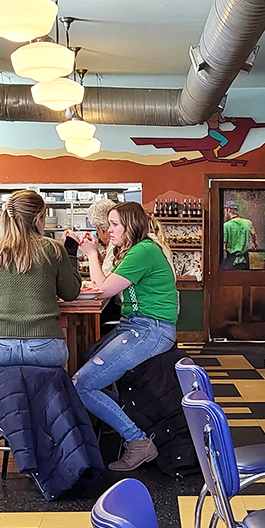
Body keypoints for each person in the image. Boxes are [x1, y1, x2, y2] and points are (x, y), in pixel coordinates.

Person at [73, 202, 178, 471]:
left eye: (115, 224)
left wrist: (92, 253)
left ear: (131, 225)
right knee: (90, 359)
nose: (110, 230)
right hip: (137, 325)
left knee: (82, 385)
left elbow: (104, 289)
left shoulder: (143, 250)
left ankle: (137, 440)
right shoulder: (137, 249)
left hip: (151, 329)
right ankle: (129, 426)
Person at [0, 189, 81, 367]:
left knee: (5, 394)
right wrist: (70, 254)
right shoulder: (53, 249)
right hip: (44, 343)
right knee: (47, 393)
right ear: (38, 218)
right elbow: (70, 292)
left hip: (0, 344)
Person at [222, 201, 258, 269]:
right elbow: (254, 238)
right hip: (245, 261)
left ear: (228, 210)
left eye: (225, 211)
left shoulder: (226, 226)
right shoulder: (248, 223)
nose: (224, 213)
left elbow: (224, 246)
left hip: (231, 262)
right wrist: (253, 244)